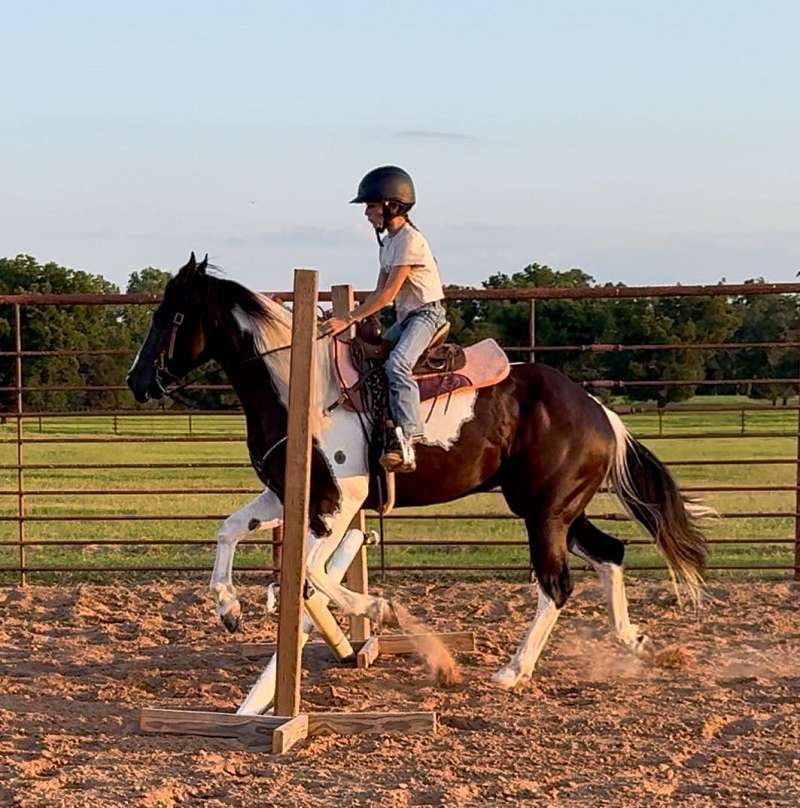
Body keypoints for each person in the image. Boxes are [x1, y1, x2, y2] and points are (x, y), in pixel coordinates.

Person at [320, 166, 446, 472]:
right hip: (406, 317)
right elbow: (378, 292)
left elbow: (387, 295)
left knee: (397, 364)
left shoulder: (410, 241)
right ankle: (383, 429)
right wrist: (359, 320)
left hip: (427, 314)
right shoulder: (389, 242)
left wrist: (348, 319)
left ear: (392, 205)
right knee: (369, 359)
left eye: (371, 206)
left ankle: (410, 437)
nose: (366, 213)